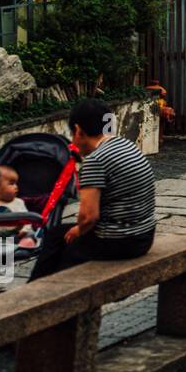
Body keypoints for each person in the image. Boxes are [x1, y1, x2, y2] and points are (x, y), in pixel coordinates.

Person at [31, 99, 155, 278]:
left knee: (62, 258)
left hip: (118, 241)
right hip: (144, 235)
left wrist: (79, 230)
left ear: (79, 131)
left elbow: (89, 217)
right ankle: (37, 286)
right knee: (56, 234)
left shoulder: (96, 160)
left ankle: (38, 293)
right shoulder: (127, 146)